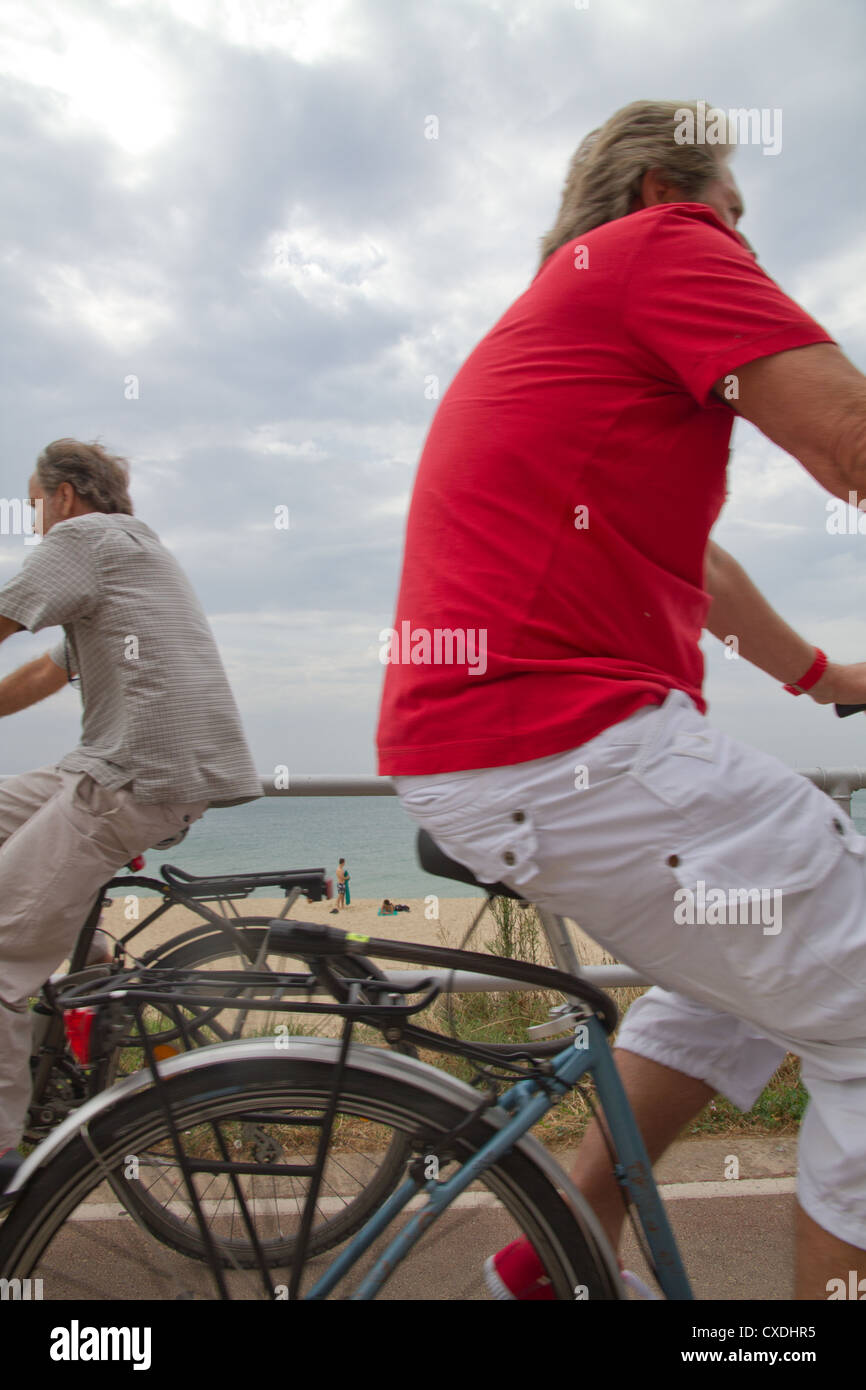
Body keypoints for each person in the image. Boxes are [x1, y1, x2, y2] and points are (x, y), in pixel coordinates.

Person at [376, 99, 866, 1300]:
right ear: (660, 188)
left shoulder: (565, 318)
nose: (744, 252)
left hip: (510, 744)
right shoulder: (662, 249)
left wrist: (826, 678)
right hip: (557, 742)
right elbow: (850, 436)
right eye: (734, 219)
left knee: (747, 992)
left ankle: (551, 1263)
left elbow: (693, 563)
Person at [0, 439, 262, 1191]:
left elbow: (5, 618)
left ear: (65, 496)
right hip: (122, 768)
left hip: (131, 777)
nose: (34, 521)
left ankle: (2, 1158)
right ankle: (93, 956)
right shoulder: (135, 552)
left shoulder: (82, 539)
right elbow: (46, 671)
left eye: (33, 504)